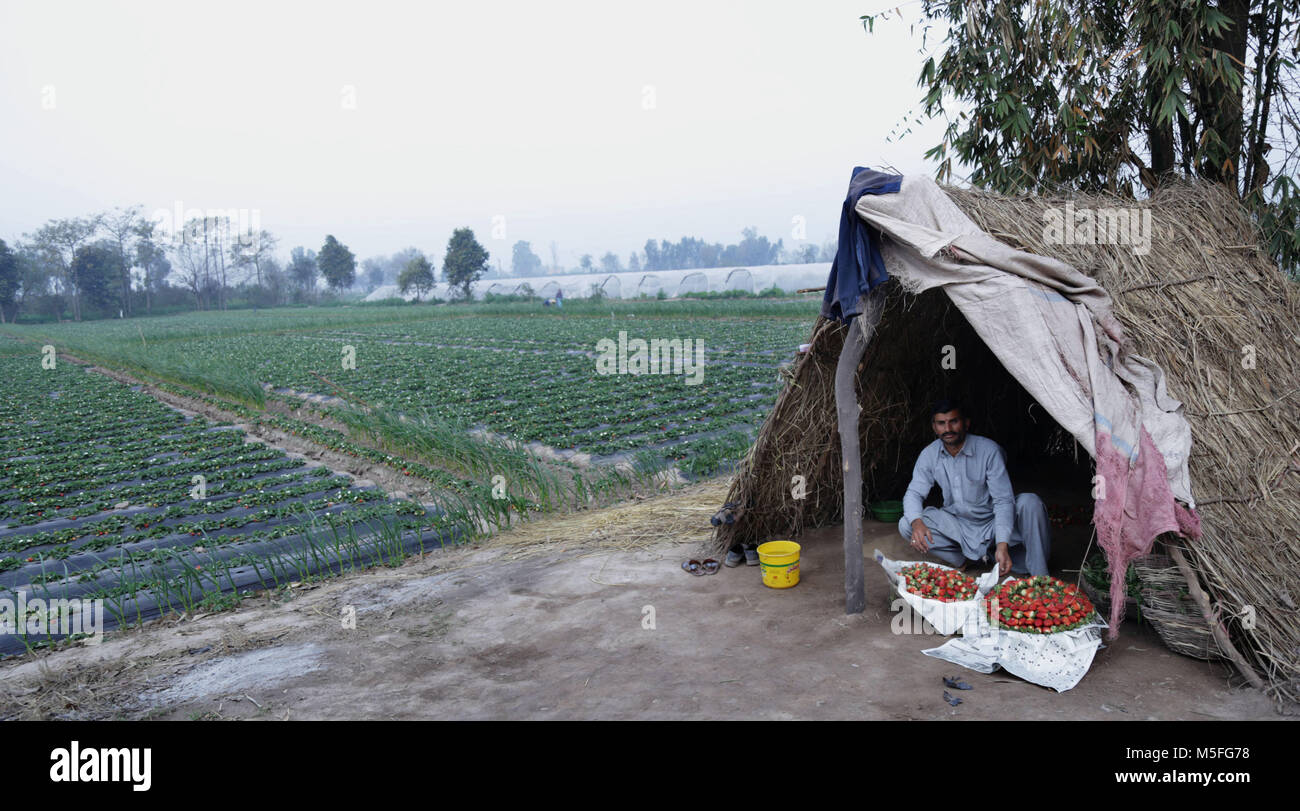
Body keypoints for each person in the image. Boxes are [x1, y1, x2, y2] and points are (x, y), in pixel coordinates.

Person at [897, 399, 1050, 577]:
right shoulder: (929, 454)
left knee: (1030, 502)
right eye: (941, 423)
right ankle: (964, 559)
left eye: (953, 421)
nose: (948, 429)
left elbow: (1003, 501)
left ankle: (1040, 576)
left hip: (991, 522)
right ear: (934, 427)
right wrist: (917, 523)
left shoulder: (989, 451)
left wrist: (1002, 544)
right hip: (958, 524)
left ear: (966, 423)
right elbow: (914, 493)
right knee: (907, 524)